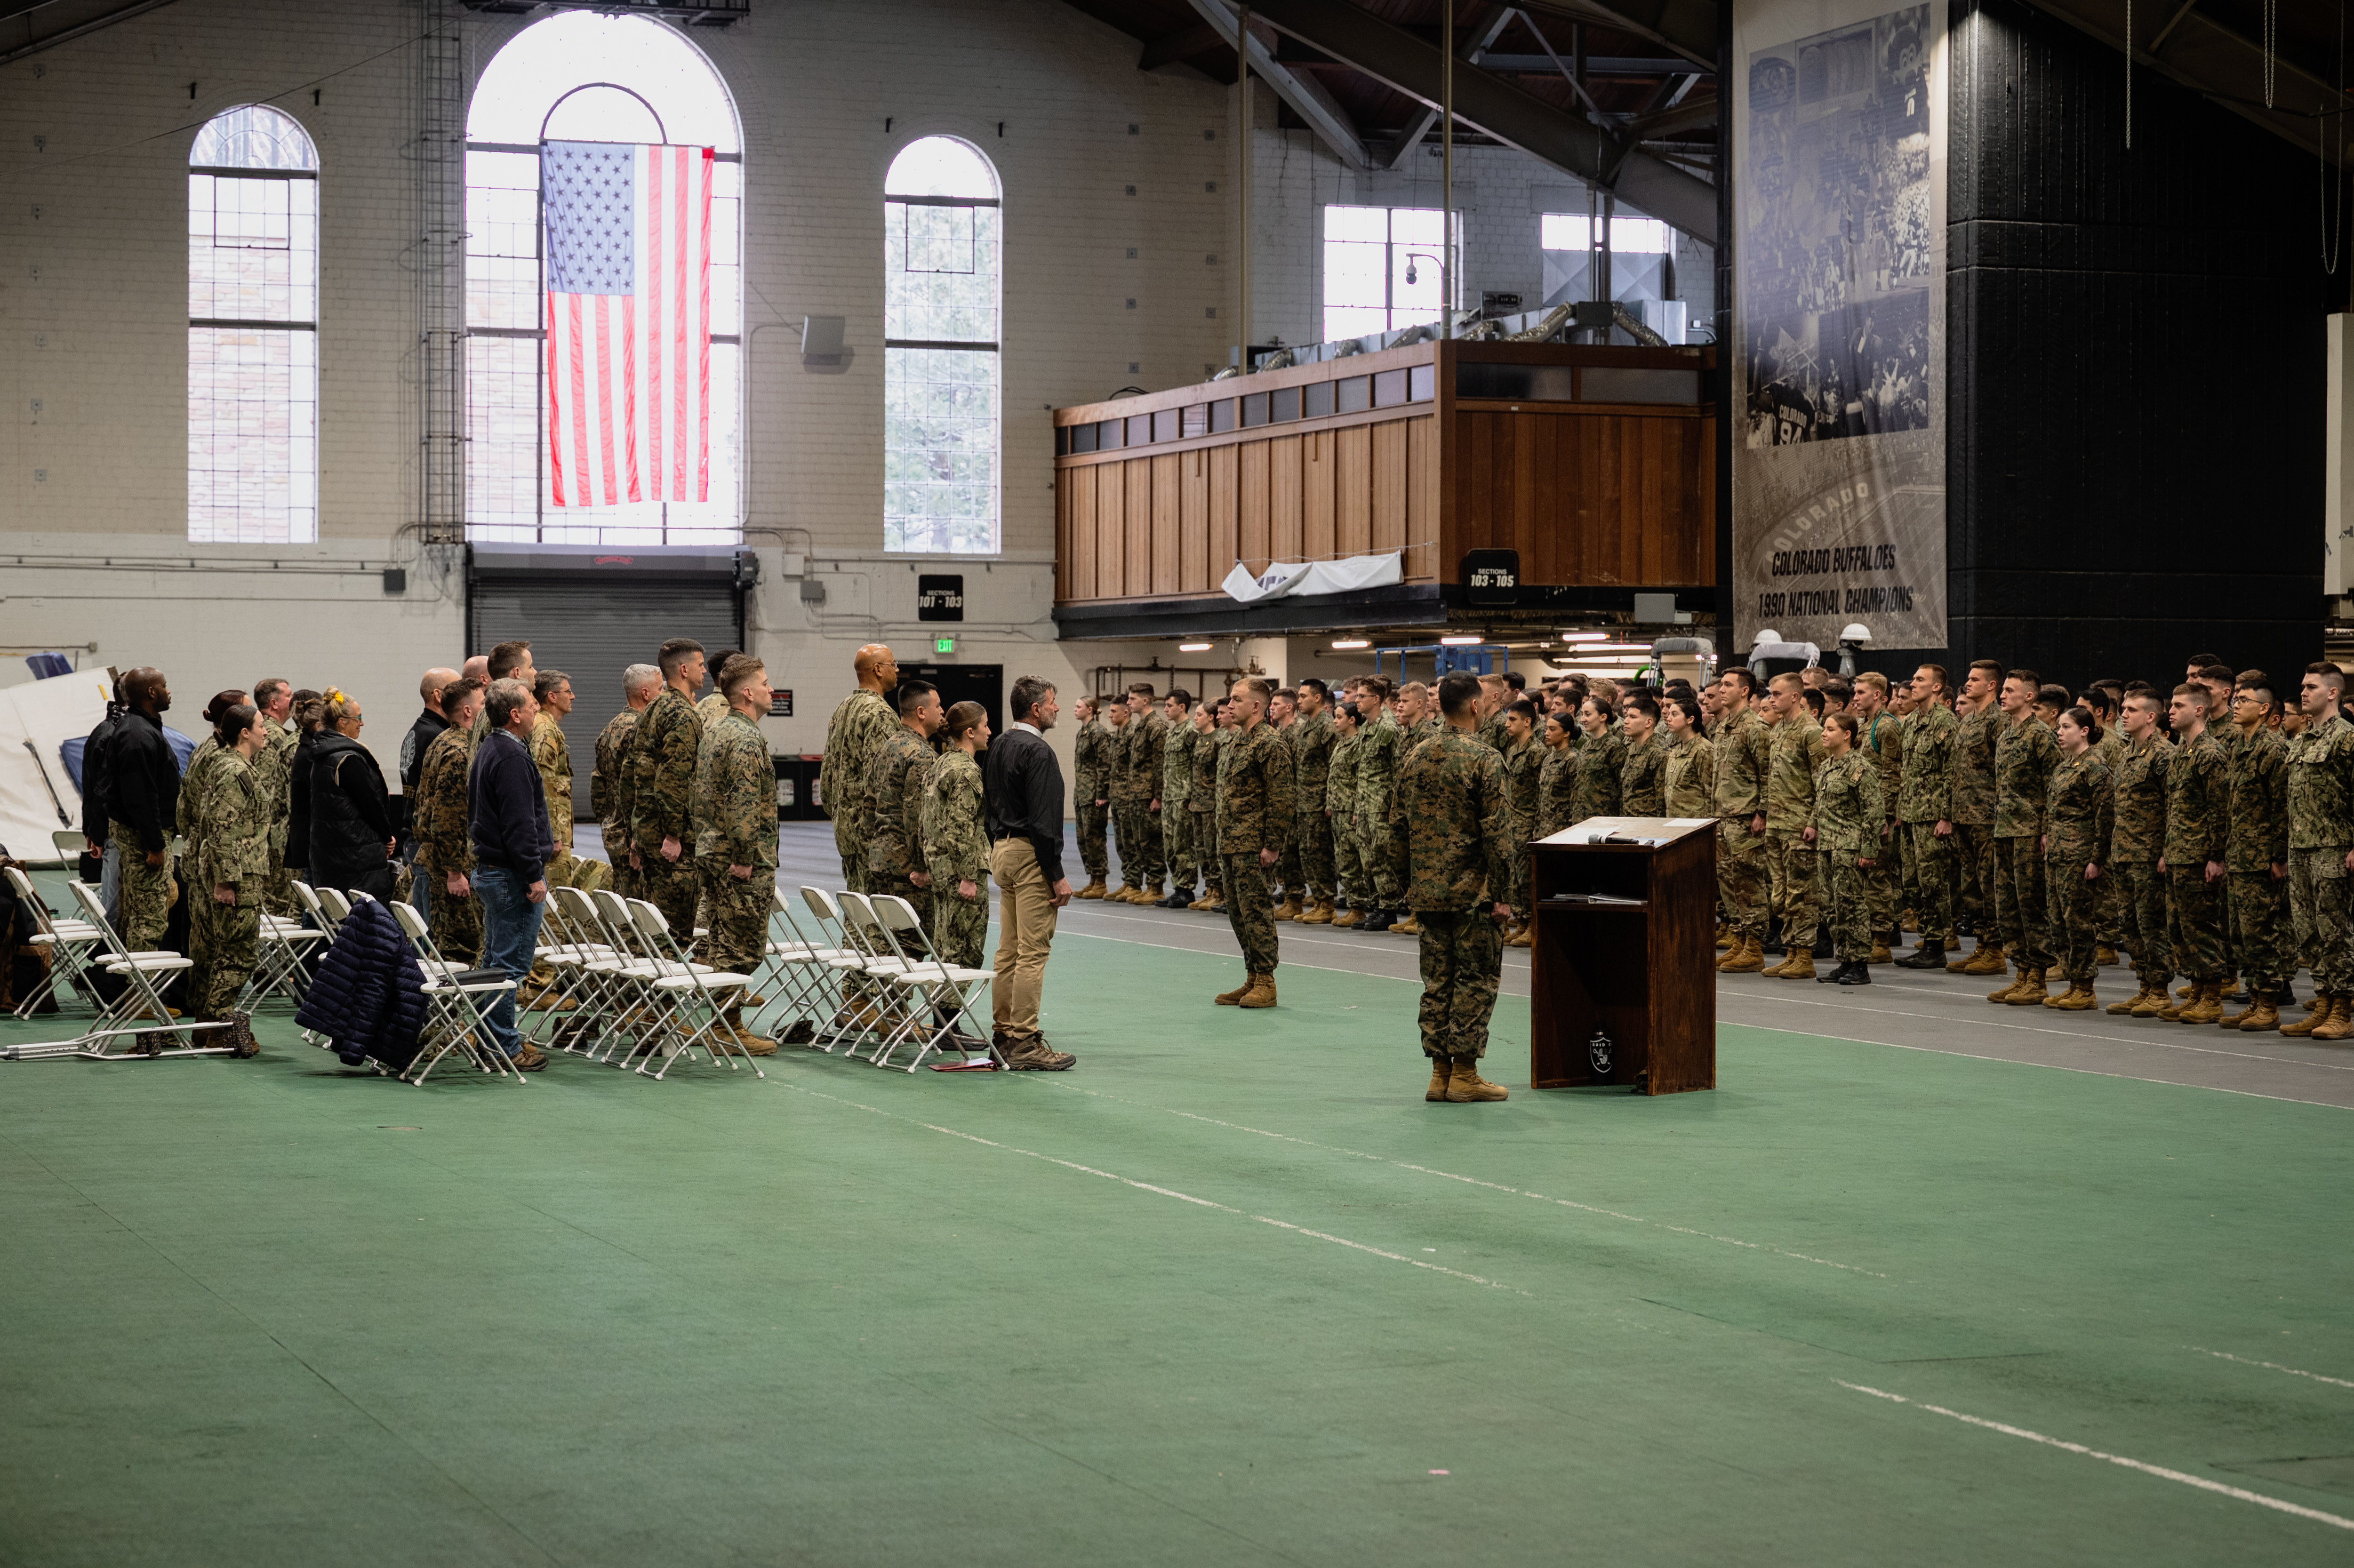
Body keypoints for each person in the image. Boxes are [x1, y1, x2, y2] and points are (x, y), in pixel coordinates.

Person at [1390, 671, 1515, 1103]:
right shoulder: (1484, 758)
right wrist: (1504, 894)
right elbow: (1498, 835)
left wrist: (1407, 883)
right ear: (1477, 706)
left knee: (1437, 982)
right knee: (1475, 981)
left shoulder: (1416, 755)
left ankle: (1439, 1074)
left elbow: (1396, 829)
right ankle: (1464, 1074)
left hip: (1427, 891)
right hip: (1472, 893)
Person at [690, 655, 780, 1058]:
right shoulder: (744, 738)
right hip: (739, 858)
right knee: (741, 949)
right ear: (747, 693)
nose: (770, 689)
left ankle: (723, 1024)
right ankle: (728, 1027)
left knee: (722, 943)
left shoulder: (717, 730)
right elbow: (744, 803)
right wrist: (745, 856)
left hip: (712, 850)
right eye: (764, 683)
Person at [984, 676, 1076, 1070]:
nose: (1057, 708)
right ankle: (1024, 1039)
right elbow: (1044, 820)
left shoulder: (1000, 744)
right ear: (1036, 709)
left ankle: (1004, 1033)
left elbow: (988, 805)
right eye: (1053, 703)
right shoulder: (1038, 752)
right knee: (1033, 952)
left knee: (1008, 950)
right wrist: (1055, 872)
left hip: (1002, 850)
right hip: (1028, 855)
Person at [467, 677, 552, 1070]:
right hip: (511, 876)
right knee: (509, 968)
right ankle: (505, 1045)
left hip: (492, 870)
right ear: (515, 714)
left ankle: (490, 1038)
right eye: (532, 704)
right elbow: (520, 825)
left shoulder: (490, 748)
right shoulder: (513, 757)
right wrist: (534, 874)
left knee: (494, 963)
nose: (538, 708)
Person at [183, 699, 271, 1052]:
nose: (267, 731)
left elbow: (188, 811)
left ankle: (206, 1026)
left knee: (212, 951)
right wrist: (225, 881)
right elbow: (223, 828)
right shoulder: (236, 772)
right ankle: (220, 1025)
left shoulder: (222, 764)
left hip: (222, 870)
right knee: (238, 953)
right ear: (245, 733)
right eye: (262, 725)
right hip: (237, 875)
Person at [919, 700, 995, 1066]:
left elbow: (927, 821)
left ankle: (944, 1025)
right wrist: (968, 874)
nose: (989, 732)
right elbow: (960, 828)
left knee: (946, 945)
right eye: (985, 726)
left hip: (940, 867)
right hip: (960, 871)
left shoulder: (940, 763)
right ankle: (948, 1029)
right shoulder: (965, 771)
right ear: (970, 732)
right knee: (963, 951)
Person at [2214, 671, 2291, 1029]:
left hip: (2261, 860)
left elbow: (2282, 807)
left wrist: (2278, 856)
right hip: (2240, 855)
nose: (2235, 705)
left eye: (2242, 701)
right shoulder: (2239, 747)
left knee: (2262, 933)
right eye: (2235, 700)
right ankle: (2256, 997)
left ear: (2264, 709)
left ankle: (2269, 1003)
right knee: (2242, 935)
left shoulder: (2272, 748)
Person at [1210, 677, 1293, 1004]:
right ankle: (1252, 976)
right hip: (1232, 843)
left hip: (1254, 845)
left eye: (1236, 700)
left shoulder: (1270, 743)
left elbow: (1283, 797)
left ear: (1256, 706)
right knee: (1238, 912)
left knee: (1257, 911)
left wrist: (1272, 844)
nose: (1229, 705)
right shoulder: (1237, 742)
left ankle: (1267, 982)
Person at [1981, 669, 2061, 1004]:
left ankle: (2038, 977)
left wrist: (2045, 830)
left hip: (2029, 832)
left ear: (2030, 696)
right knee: (2007, 906)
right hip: (2004, 830)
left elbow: (2053, 787)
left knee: (2031, 907)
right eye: (2003, 690)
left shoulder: (2041, 736)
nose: (2003, 695)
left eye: (2011, 690)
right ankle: (2022, 972)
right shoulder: (2006, 734)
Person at [2284, 665, 2354, 1038]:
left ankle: (2343, 1009)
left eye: (2311, 687)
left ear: (2332, 693)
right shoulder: (2301, 739)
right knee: (2307, 931)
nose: (2303, 692)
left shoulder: (2346, 737)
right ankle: (2323, 1001)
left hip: (2333, 847)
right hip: (2300, 848)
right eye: (2302, 685)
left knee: (2334, 931)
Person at [2157, 683, 2231, 1023]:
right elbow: (2174, 808)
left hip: (2200, 857)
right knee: (2180, 929)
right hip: (2178, 854)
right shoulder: (2179, 753)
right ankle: (2198, 991)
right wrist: (2166, 851)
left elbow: (2220, 809)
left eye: (2178, 705)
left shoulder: (2210, 753)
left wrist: (2217, 857)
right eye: (2171, 704)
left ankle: (2213, 996)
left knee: (2201, 927)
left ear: (2199, 710)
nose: (2170, 711)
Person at [629, 638, 707, 942]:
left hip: (650, 832)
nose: (704, 671)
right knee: (672, 936)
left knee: (653, 929)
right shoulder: (682, 714)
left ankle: (643, 991)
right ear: (685, 670)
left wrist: (637, 831)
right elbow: (675, 778)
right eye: (701, 665)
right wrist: (674, 835)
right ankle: (657, 991)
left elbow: (632, 776)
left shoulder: (652, 710)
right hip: (672, 843)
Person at [2038, 705, 2115, 1012]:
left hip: (2079, 857)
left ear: (2084, 731)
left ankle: (2085, 987)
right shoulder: (2065, 765)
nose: (2059, 732)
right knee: (2059, 921)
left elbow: (2105, 816)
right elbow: (2052, 808)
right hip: (2059, 855)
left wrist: (2097, 858)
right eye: (2058, 727)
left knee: (2078, 923)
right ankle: (2072, 982)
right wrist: (2046, 834)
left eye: (2066, 727)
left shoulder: (2095, 767)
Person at [865, 679, 944, 976]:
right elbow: (917, 817)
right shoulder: (921, 756)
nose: (943, 712)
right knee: (910, 945)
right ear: (922, 712)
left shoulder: (888, 747)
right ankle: (897, 1016)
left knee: (886, 943)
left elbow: (868, 802)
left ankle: (881, 1011)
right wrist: (922, 865)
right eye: (938, 707)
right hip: (905, 866)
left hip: (882, 857)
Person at [2107, 688, 2175, 1017]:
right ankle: (2145, 986)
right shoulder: (2127, 751)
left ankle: (2160, 990)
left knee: (2151, 925)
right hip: (2124, 851)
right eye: (2123, 709)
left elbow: (2173, 807)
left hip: (2149, 855)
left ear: (2151, 716)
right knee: (2129, 926)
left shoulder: (2164, 754)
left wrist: (2164, 852)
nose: (2123, 714)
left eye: (2131, 710)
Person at [1893, 664, 1965, 971]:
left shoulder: (1945, 722)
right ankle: (1928, 939)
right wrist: (1899, 811)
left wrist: (1947, 817)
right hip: (1911, 814)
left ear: (1937, 687)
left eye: (1921, 680)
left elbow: (1954, 773)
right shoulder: (1911, 722)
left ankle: (1936, 945)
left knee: (1933, 882)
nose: (1913, 684)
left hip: (1933, 816)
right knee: (1912, 883)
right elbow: (1906, 771)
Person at [1806, 711, 1883, 985]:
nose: (1823, 734)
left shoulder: (1859, 768)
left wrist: (1869, 850)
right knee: (1831, 907)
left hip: (1849, 848)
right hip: (1827, 845)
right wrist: (1812, 824)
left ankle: (1860, 964)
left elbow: (1873, 812)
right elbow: (1821, 802)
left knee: (1851, 905)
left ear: (1847, 735)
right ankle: (1845, 960)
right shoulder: (1827, 767)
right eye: (1823, 729)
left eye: (1830, 729)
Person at [1759, 673, 1827, 978]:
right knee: (1782, 892)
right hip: (1777, 822)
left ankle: (1805, 956)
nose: (1771, 699)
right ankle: (1791, 951)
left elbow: (1822, 781)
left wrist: (1814, 822)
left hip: (1800, 826)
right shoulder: (1779, 729)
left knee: (1803, 892)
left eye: (1776, 694)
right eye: (1770, 695)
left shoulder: (1811, 732)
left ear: (1796, 697)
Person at [413, 677, 485, 965]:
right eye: (482, 704)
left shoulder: (443, 741)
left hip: (440, 858)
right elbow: (447, 818)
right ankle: (451, 1008)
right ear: (468, 711)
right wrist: (455, 872)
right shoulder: (459, 752)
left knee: (447, 943)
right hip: (452, 864)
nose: (487, 709)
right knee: (459, 949)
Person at [109, 667, 181, 953]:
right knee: (149, 918)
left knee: (134, 912)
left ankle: (130, 992)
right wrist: (155, 845)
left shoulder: (142, 728)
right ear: (152, 692)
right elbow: (140, 797)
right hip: (146, 840)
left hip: (146, 835)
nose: (169, 690)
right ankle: (142, 995)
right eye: (165, 685)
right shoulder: (137, 735)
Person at [819, 643, 900, 894]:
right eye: (893, 664)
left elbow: (827, 779)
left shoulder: (841, 709)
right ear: (878, 670)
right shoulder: (879, 713)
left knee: (856, 908)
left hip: (846, 830)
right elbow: (884, 780)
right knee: (875, 915)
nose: (897, 670)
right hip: (871, 834)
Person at [308, 690, 397, 902]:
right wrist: (387, 837)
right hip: (357, 860)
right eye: (358, 718)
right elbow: (371, 805)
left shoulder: (322, 755)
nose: (362, 723)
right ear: (341, 723)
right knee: (366, 925)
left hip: (333, 856)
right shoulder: (348, 759)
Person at [1712, 669, 1774, 973]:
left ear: (1745, 691)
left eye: (1728, 685)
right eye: (1721, 684)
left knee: (1748, 881)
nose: (1721, 689)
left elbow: (1767, 773)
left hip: (1745, 817)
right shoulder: (1724, 726)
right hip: (1723, 816)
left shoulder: (1755, 727)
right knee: (1728, 883)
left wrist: (1762, 812)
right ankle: (1739, 939)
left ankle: (1754, 946)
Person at [592, 665, 660, 901]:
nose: (664, 696)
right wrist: (636, 840)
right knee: (637, 913)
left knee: (621, 905)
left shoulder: (609, 729)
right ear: (646, 694)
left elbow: (598, 787)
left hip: (614, 833)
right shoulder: (640, 730)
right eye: (661, 689)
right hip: (633, 839)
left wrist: (608, 822)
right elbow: (636, 790)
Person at [1852, 673, 1903, 961]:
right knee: (1866, 878)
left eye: (1861, 693)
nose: (1856, 697)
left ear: (1878, 695)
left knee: (1879, 877)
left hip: (1878, 814)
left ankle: (1882, 939)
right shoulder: (1864, 725)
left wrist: (1884, 816)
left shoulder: (1886, 727)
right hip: (1862, 812)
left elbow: (1892, 774)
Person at [1951, 659, 2003, 939]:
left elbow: (2002, 770)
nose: (1968, 683)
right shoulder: (1968, 721)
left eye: (1975, 679)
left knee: (1988, 883)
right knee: (1970, 884)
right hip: (1963, 814)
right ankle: (1982, 944)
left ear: (1991, 685)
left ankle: (1993, 946)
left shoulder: (1999, 720)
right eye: (1968, 679)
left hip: (1986, 815)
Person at [1114, 683, 1168, 903]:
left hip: (1148, 797)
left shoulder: (1156, 727)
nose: (1128, 703)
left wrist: (1159, 796)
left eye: (1133, 699)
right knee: (1138, 842)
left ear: (1145, 701)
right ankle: (1141, 884)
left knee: (1151, 842)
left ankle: (1156, 886)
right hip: (1136, 795)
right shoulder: (1141, 727)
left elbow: (1160, 765)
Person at [1291, 679, 1338, 923]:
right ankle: (1318, 900)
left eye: (1303, 696)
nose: (1299, 701)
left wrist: (1329, 801)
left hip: (1319, 802)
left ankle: (1327, 902)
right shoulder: (1307, 727)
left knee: (1320, 853)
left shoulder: (1327, 728)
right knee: (1307, 853)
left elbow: (1335, 766)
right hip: (1304, 802)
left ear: (1317, 698)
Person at [397, 667, 458, 855]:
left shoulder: (419, 729)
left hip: (414, 839)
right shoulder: (437, 737)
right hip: (429, 844)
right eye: (456, 689)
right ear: (438, 696)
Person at [529, 669, 579, 886]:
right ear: (552, 697)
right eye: (568, 691)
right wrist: (552, 835)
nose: (573, 696)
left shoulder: (545, 725)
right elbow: (544, 783)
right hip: (552, 836)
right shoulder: (546, 729)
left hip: (552, 831)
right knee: (554, 910)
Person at [1499, 698, 1542, 948]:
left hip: (1528, 818)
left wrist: (1537, 825)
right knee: (1515, 875)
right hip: (1512, 819)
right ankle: (1522, 922)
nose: (1507, 724)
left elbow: (1541, 790)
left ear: (1528, 722)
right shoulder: (1513, 749)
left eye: (1512, 720)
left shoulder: (1536, 752)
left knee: (1527, 877)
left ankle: (1533, 923)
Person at [1159, 688, 1198, 908]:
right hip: (1170, 796)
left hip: (1183, 796)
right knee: (1170, 844)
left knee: (1183, 844)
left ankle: (1187, 889)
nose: (1165, 709)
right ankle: (1177, 887)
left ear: (1182, 707)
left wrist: (1193, 795)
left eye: (1169, 706)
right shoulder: (1172, 732)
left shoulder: (1191, 731)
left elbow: (1196, 765)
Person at [1186, 700, 1227, 912]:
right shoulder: (1200, 740)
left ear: (1211, 718)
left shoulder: (1219, 739)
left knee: (1212, 849)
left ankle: (1219, 890)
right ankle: (1210, 889)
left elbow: (1221, 775)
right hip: (1198, 802)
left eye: (1200, 714)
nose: (1195, 718)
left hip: (1212, 803)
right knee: (1201, 849)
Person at [285, 689, 326, 893]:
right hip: (303, 836)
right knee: (311, 903)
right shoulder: (307, 751)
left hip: (300, 835)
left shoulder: (305, 746)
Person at [1071, 696, 1113, 899]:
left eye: (1078, 706)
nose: (1075, 709)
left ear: (1090, 710)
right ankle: (1093, 880)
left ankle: (1101, 882)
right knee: (1083, 839)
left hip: (1094, 795)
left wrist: (1102, 794)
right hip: (1082, 794)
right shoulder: (1083, 733)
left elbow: (1104, 765)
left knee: (1095, 838)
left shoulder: (1098, 732)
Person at [1326, 701, 1364, 926]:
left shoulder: (1358, 744)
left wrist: (1357, 809)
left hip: (1350, 809)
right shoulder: (1342, 744)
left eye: (1339, 717)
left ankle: (1358, 906)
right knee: (1342, 859)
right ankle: (1352, 903)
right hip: (1338, 809)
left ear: (1352, 720)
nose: (1335, 721)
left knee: (1352, 860)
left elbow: (1361, 779)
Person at [1568, 693, 1626, 825]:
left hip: (1604, 819)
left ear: (1603, 717)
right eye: (1582, 714)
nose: (1583, 719)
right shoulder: (1587, 745)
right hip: (1581, 818)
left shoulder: (1614, 746)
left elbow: (1622, 787)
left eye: (1588, 715)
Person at [1662, 693, 1716, 818]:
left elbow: (1710, 794)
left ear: (1690, 719)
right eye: (1669, 714)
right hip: (1675, 821)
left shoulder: (1704, 750)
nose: (1669, 718)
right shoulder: (1676, 750)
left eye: (1674, 715)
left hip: (1696, 824)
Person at [1100, 695, 1134, 893]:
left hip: (1129, 797)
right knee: (1121, 843)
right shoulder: (1117, 736)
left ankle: (1134, 882)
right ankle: (1128, 882)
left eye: (1114, 711)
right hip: (1117, 796)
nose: (1110, 715)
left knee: (1130, 842)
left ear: (1125, 713)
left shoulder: (1132, 734)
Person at [1619, 693, 1667, 815]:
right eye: (1627, 716)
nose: (1626, 721)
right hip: (1630, 821)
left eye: (1633, 717)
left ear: (1648, 723)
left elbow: (1662, 799)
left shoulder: (1659, 753)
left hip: (1649, 825)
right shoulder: (1633, 747)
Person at [1536, 709, 1579, 838]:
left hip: (1563, 830)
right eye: (1547, 729)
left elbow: (1576, 800)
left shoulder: (1572, 759)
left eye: (1553, 729)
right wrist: (1537, 828)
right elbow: (1542, 797)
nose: (1547, 734)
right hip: (1545, 830)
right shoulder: (1549, 758)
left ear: (1566, 733)